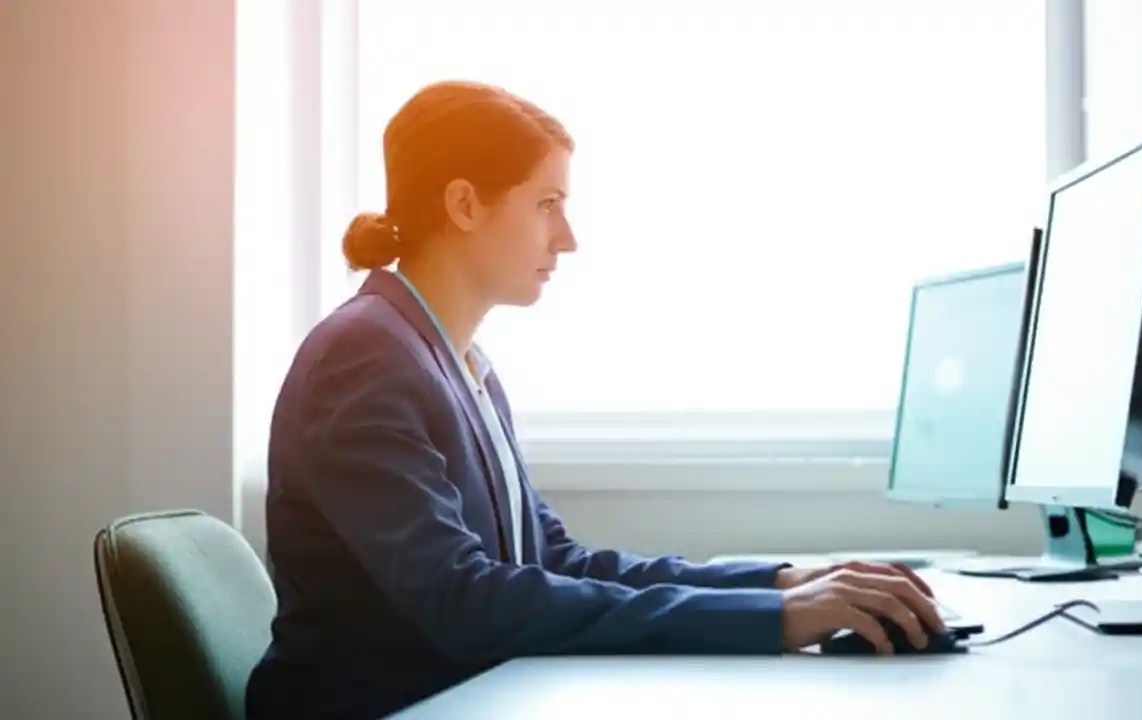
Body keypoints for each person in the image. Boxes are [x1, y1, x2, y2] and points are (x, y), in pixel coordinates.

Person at [244, 80, 945, 720]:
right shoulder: (364, 356)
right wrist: (774, 619)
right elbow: (464, 601)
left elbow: (553, 562)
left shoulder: (461, 363)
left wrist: (781, 584)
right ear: (463, 204)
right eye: (547, 204)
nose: (567, 238)